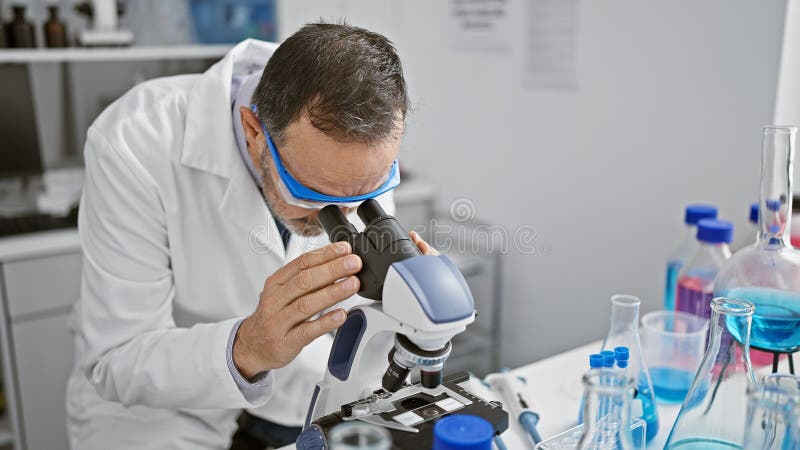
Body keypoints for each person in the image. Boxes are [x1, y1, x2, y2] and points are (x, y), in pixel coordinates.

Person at [66, 23, 436, 449]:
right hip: (159, 412)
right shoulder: (134, 140)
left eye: (368, 192)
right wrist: (247, 347)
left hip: (294, 391)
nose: (345, 214)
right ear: (253, 131)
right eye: (314, 192)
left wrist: (404, 305)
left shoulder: (352, 155)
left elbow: (359, 306)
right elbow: (116, 357)